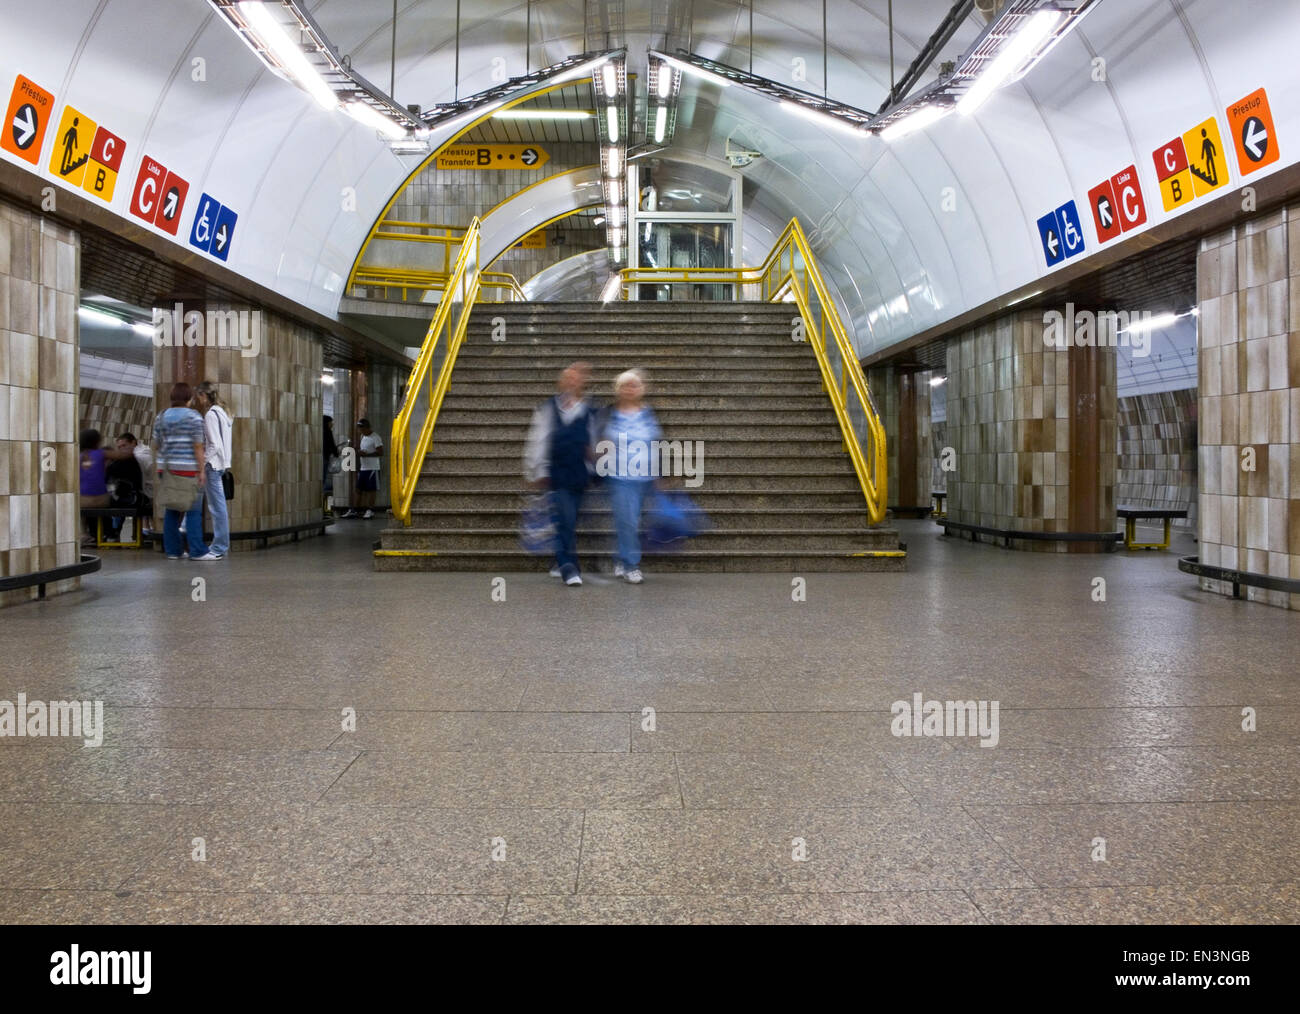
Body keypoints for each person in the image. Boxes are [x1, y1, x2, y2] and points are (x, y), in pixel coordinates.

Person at [523, 362, 597, 586]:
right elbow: (539, 438)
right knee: (565, 518)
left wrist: (597, 468)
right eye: (569, 377)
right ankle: (569, 568)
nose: (573, 381)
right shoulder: (549, 408)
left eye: (577, 377)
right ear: (562, 382)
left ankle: (562, 560)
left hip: (580, 473)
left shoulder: (589, 409)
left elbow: (595, 440)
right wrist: (535, 469)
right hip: (557, 472)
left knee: (570, 519)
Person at [601, 370, 662, 584]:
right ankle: (631, 565)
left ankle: (620, 557)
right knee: (628, 521)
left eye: (634, 385)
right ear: (618, 390)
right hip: (620, 476)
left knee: (630, 520)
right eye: (625, 386)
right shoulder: (609, 413)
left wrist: (658, 473)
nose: (630, 389)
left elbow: (655, 443)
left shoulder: (648, 413)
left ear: (641, 389)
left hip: (645, 477)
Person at [151, 382, 219, 561]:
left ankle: (173, 551)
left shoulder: (161, 417)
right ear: (189, 398)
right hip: (188, 470)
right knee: (193, 511)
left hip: (167, 469)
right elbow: (198, 446)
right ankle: (197, 550)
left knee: (172, 509)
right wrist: (201, 470)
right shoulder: (193, 417)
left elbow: (156, 444)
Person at [194, 381, 232, 559]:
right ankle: (220, 546)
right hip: (221, 465)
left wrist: (203, 462)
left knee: (217, 508)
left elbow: (214, 445)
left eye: (198, 397)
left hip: (212, 466)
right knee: (218, 507)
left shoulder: (210, 414)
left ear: (203, 395)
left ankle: (218, 548)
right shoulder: (222, 412)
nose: (198, 401)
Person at [79, 429, 135, 546]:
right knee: (108, 504)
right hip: (101, 498)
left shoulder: (79, 457)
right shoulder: (101, 453)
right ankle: (109, 533)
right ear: (97, 441)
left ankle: (86, 533)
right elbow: (123, 455)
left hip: (82, 500)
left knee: (82, 508)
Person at [103, 432, 150, 542]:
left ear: (134, 443)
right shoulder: (132, 458)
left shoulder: (135, 457)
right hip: (137, 496)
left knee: (110, 501)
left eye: (124, 446)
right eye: (119, 447)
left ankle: (112, 533)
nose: (121, 449)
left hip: (135, 497)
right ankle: (114, 532)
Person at [340, 418, 383, 519]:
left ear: (368, 428)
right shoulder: (362, 436)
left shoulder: (375, 437)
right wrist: (358, 451)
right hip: (364, 468)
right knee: (358, 489)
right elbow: (364, 450)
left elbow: (381, 453)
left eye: (362, 429)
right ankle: (354, 510)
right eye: (360, 429)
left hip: (373, 468)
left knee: (371, 490)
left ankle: (370, 510)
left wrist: (366, 454)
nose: (361, 431)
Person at [323, 415, 339, 515]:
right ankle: (324, 509)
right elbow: (332, 445)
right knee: (323, 483)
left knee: (322, 482)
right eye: (331, 422)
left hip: (321, 458)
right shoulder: (327, 432)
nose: (332, 424)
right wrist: (337, 453)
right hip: (324, 459)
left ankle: (324, 508)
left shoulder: (319, 431)